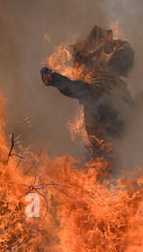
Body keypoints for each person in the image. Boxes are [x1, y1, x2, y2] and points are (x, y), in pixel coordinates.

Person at [41, 26, 134, 162]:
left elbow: (74, 88)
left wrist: (54, 78)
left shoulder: (98, 85)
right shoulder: (114, 82)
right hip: (120, 137)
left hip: (113, 132)